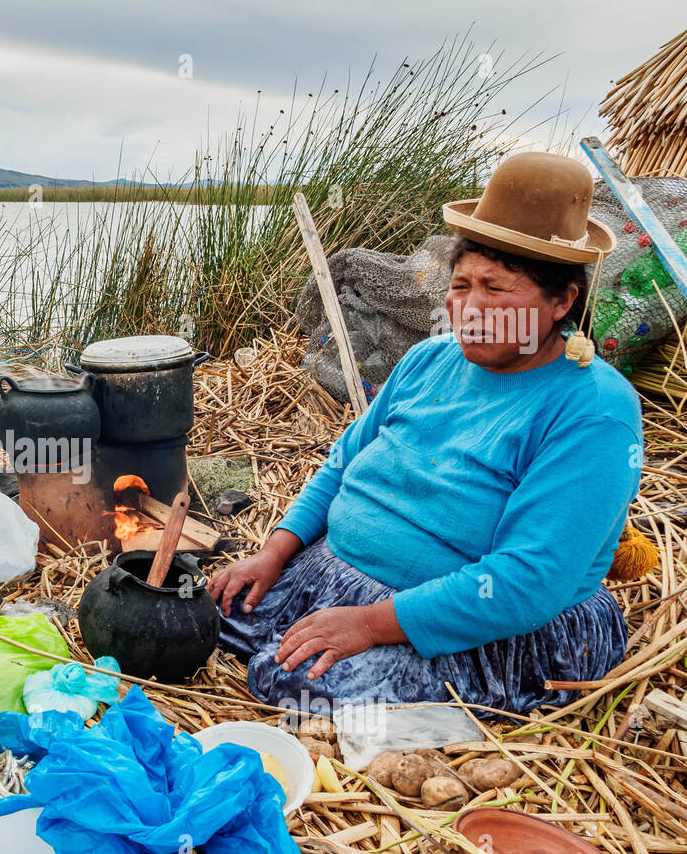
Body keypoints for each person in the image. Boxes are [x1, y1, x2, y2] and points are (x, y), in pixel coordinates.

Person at [210, 151, 642, 715]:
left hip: (473, 623)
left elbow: (527, 581)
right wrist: (274, 553)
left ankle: (458, 725)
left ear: (563, 301)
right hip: (335, 576)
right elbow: (344, 464)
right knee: (199, 618)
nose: (472, 309)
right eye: (462, 285)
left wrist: (370, 624)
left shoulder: (594, 410)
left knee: (293, 688)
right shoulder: (430, 358)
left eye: (498, 289)